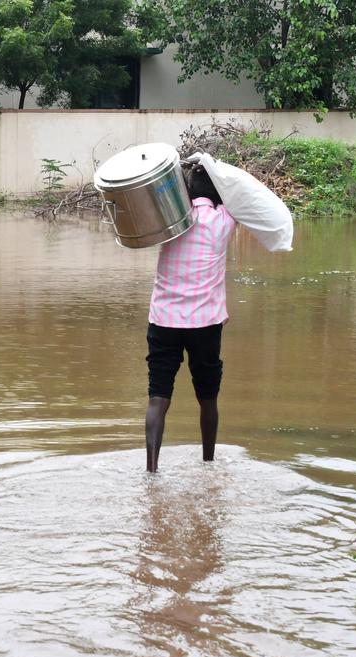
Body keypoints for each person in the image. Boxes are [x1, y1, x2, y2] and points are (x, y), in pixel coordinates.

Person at [144, 163, 237, 473]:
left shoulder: (169, 221)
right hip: (205, 324)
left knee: (158, 397)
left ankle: (151, 471)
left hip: (164, 320)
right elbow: (245, 197)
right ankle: (208, 465)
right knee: (208, 398)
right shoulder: (223, 220)